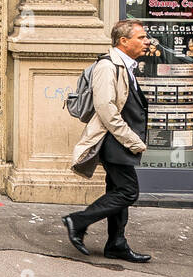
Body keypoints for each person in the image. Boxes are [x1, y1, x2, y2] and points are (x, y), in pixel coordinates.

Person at [63, 20, 152, 263]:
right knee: (128, 191)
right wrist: (132, 140)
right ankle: (77, 221)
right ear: (123, 41)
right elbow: (106, 109)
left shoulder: (125, 66)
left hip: (120, 140)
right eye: (141, 37)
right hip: (114, 140)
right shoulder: (107, 66)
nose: (147, 42)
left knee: (117, 190)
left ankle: (116, 244)